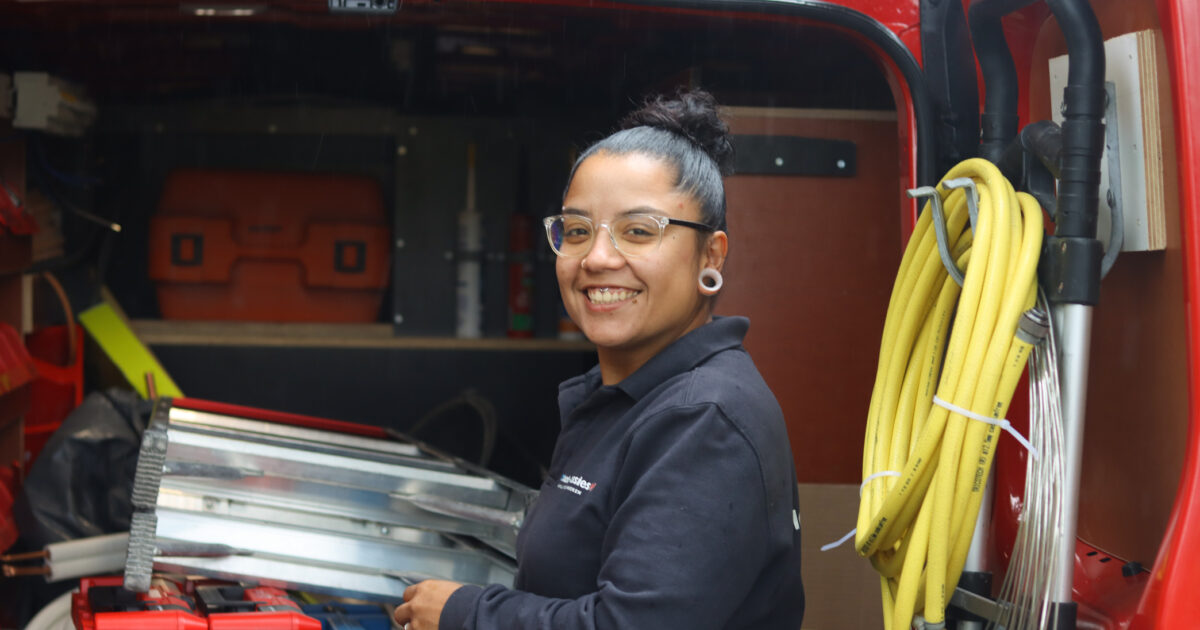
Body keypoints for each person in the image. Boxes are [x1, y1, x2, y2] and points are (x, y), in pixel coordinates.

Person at [394, 88, 805, 630]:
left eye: (639, 231)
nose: (599, 258)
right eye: (578, 231)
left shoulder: (704, 419)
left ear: (711, 255)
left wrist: (464, 614)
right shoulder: (622, 396)